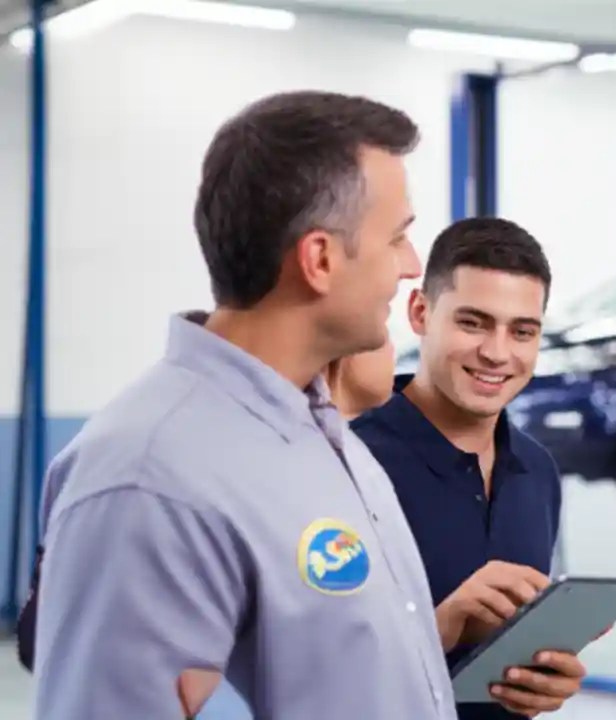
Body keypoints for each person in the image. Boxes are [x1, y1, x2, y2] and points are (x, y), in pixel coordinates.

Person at [29, 90, 459, 720]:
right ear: (319, 259)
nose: (410, 266)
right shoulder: (148, 479)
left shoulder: (328, 439)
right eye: (397, 238)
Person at [351, 217, 586, 719]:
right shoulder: (350, 463)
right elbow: (309, 673)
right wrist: (439, 626)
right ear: (420, 312)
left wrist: (543, 680)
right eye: (473, 323)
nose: (497, 353)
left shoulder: (537, 472)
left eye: (522, 332)